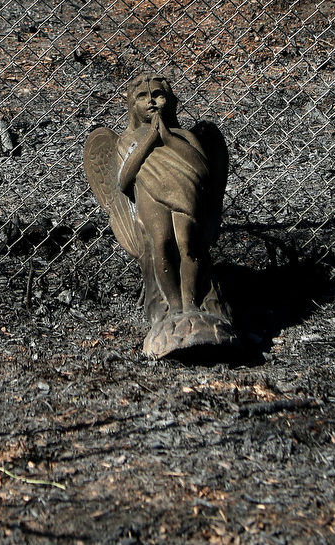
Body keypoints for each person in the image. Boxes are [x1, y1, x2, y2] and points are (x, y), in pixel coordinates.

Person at [84, 73, 237, 359]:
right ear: (132, 105)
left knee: (188, 245)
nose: (152, 101)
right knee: (161, 245)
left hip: (183, 195)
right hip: (150, 197)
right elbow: (124, 178)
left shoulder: (185, 136)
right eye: (143, 97)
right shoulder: (128, 140)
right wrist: (151, 139)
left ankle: (192, 304)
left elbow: (203, 169)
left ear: (171, 101)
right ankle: (172, 308)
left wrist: (167, 136)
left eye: (158, 94)